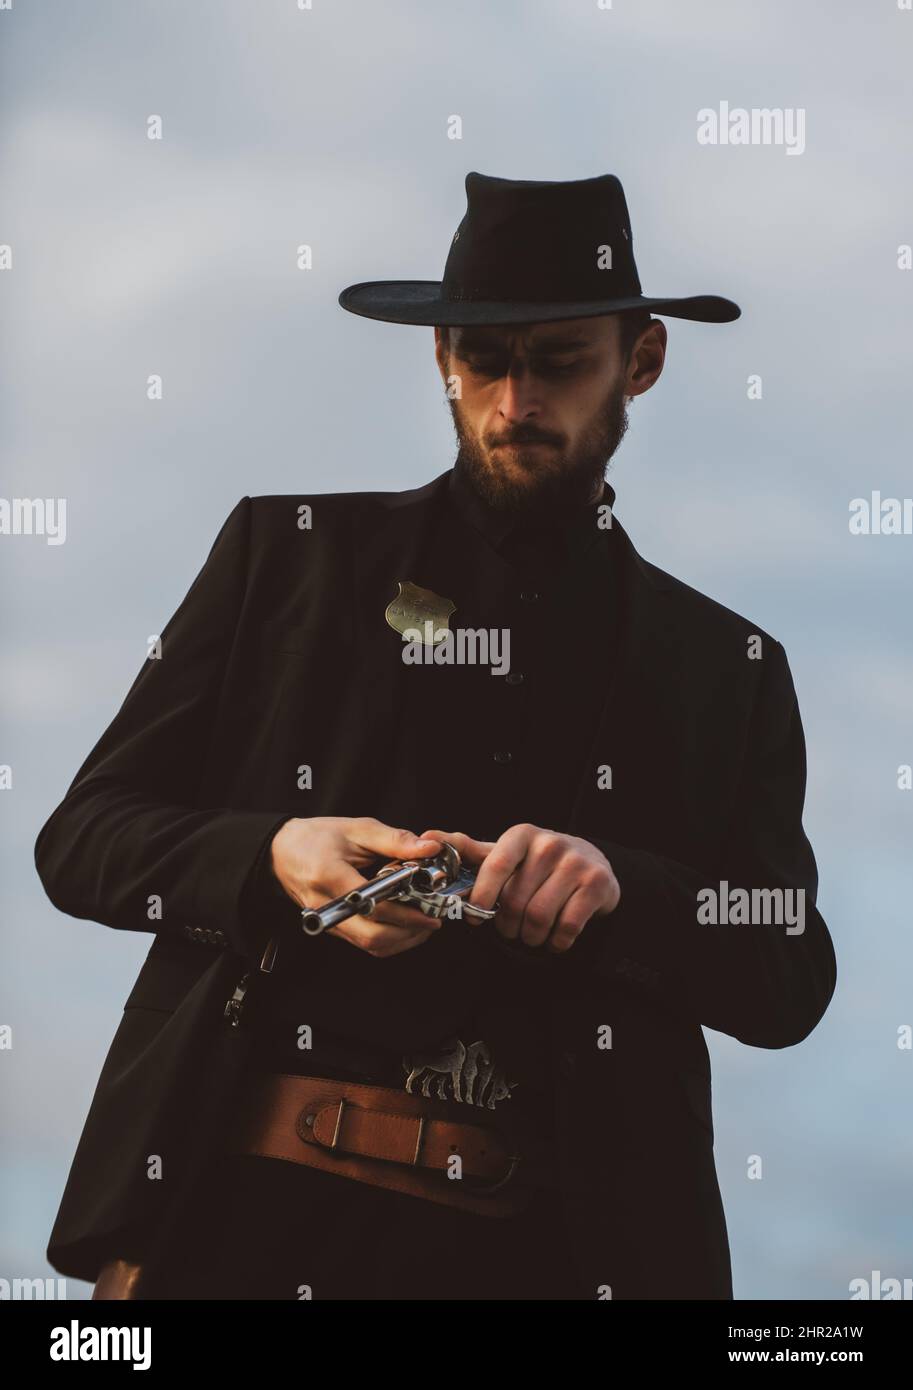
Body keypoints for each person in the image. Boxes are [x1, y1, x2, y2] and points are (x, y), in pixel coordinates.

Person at [34, 171, 836, 1301]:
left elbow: (788, 967)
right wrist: (275, 855)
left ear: (640, 363)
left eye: (559, 361)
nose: (513, 401)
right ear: (442, 360)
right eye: (482, 361)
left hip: (568, 1260)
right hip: (238, 1226)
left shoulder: (728, 668)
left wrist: (624, 891)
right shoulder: (287, 557)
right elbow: (81, 841)